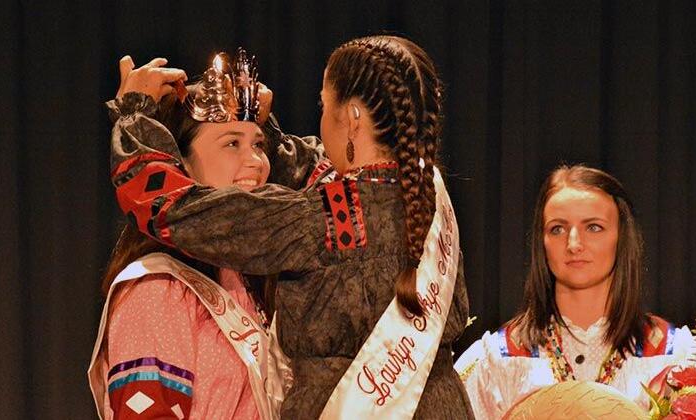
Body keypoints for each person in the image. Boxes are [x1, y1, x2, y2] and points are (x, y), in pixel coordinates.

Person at [106, 36, 473, 419]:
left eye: (323, 105)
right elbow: (313, 173)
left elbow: (163, 201)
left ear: (351, 119)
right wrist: (262, 130)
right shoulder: (425, 204)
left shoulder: (316, 221)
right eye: (233, 143)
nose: (256, 160)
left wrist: (134, 112)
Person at [87, 50, 317, 419]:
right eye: (231, 143)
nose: (257, 162)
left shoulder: (258, 280)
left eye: (258, 144)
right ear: (182, 165)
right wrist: (135, 112)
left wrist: (271, 131)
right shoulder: (156, 290)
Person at [454, 164, 696, 419]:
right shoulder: (496, 361)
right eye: (557, 229)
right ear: (541, 242)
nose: (573, 243)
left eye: (593, 227)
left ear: (621, 237)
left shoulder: (680, 358)